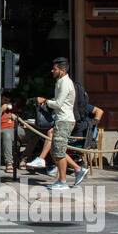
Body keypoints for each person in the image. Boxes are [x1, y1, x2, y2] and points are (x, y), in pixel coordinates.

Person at [35, 58, 87, 189]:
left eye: (55, 69)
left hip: (64, 120)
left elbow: (58, 104)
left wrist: (45, 101)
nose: (52, 70)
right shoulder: (61, 81)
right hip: (62, 120)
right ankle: (77, 169)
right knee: (56, 151)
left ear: (62, 70)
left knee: (58, 152)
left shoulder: (64, 83)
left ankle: (62, 181)